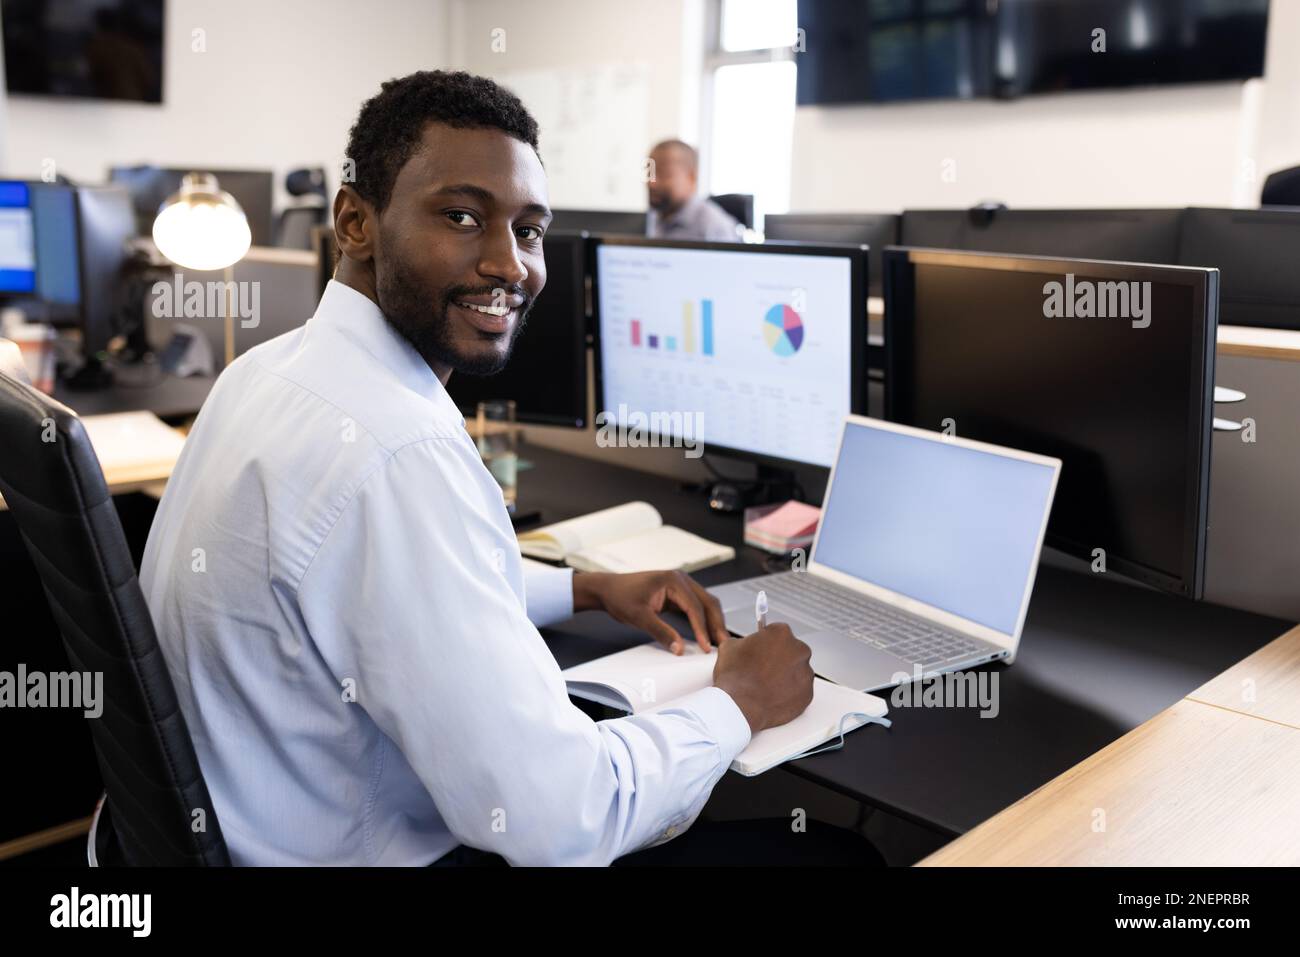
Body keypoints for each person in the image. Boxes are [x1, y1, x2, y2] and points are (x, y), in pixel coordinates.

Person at [140, 70, 877, 866]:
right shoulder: (400, 451)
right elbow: (561, 820)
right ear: (355, 222)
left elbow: (376, 583)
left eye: (529, 230)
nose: (510, 264)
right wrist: (740, 699)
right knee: (838, 855)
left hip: (216, 836)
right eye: (462, 217)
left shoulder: (265, 373)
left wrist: (586, 587)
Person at [646, 139, 742, 241]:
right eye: (649, 173)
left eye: (663, 174)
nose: (652, 183)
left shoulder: (715, 228)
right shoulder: (654, 218)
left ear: (691, 178)